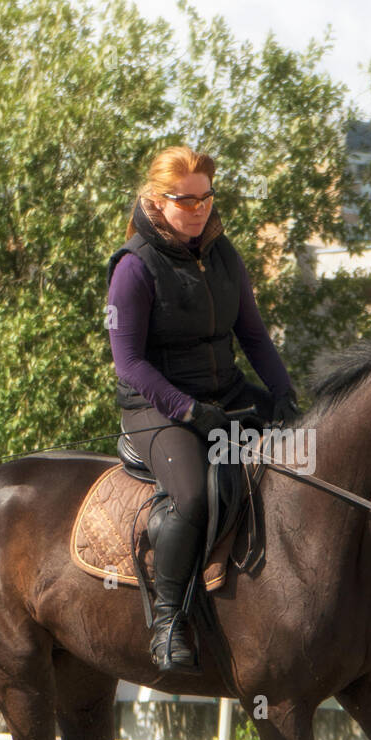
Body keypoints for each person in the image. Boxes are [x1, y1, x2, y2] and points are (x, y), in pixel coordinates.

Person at [106, 145, 300, 672]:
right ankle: (168, 622)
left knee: (305, 450)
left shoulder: (222, 253)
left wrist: (282, 393)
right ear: (156, 198)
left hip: (225, 393)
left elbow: (253, 335)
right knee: (192, 496)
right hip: (157, 407)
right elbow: (129, 364)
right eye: (184, 200)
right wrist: (189, 411)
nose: (198, 210)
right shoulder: (133, 268)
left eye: (206, 199)